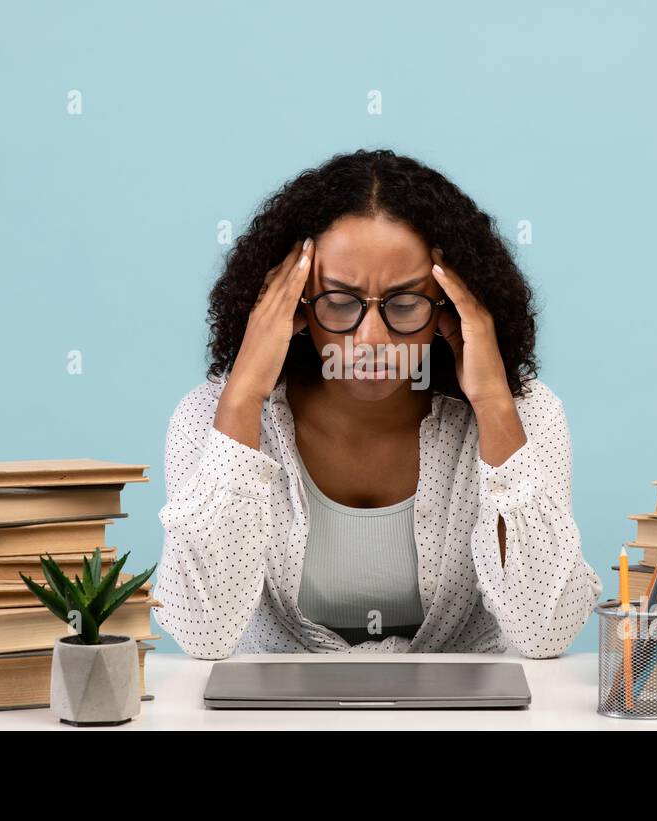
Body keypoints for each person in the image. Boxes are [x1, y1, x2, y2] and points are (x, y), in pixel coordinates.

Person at [155, 148, 602, 659]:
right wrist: (243, 397)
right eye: (340, 302)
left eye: (406, 304)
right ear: (295, 305)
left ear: (451, 308)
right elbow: (203, 634)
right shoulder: (210, 417)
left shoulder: (524, 416)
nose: (371, 338)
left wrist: (494, 403)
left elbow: (547, 633)